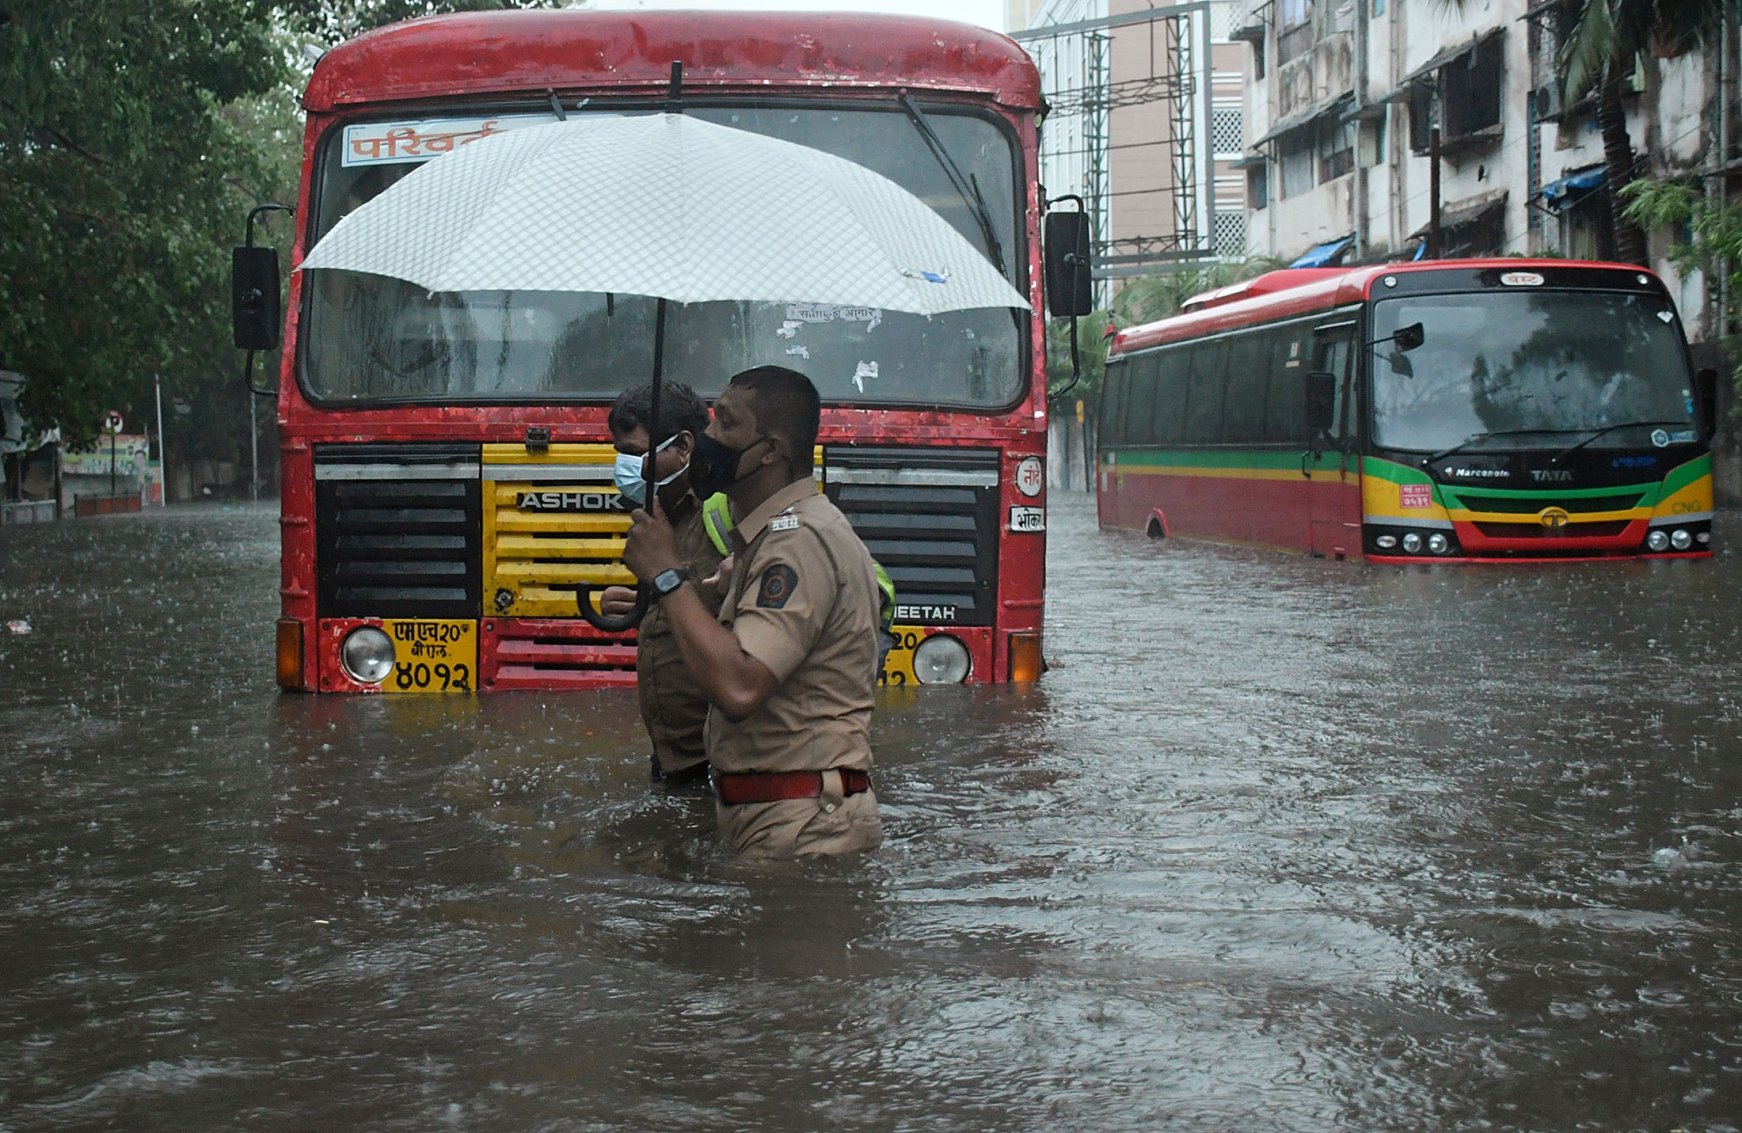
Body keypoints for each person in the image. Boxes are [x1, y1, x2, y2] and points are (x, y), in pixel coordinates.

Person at [622, 366, 882, 858]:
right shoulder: (772, 536)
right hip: (781, 817)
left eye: (725, 424)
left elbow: (741, 686)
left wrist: (667, 575)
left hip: (802, 828)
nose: (707, 439)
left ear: (770, 450)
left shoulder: (797, 541)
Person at [600, 382, 724, 788]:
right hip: (674, 761)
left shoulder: (726, 509)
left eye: (635, 455)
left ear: (684, 446)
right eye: (620, 456)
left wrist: (755, 562)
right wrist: (638, 609)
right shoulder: (654, 520)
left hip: (724, 762)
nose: (624, 468)